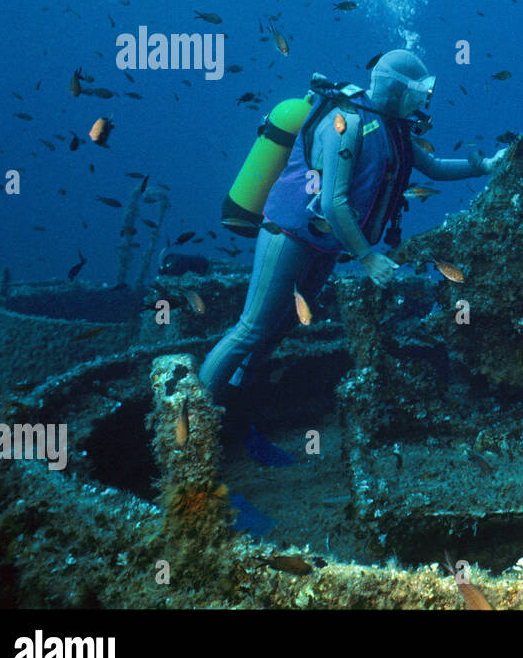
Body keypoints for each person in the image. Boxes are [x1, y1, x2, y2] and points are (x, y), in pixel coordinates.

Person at [199, 49, 506, 399]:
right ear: (396, 90)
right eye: (417, 94)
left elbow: (433, 167)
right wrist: (367, 257)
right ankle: (191, 429)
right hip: (290, 234)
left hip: (326, 244)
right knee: (251, 329)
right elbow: (332, 202)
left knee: (284, 325)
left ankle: (239, 396)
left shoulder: (394, 127)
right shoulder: (348, 123)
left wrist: (484, 166)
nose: (422, 103)